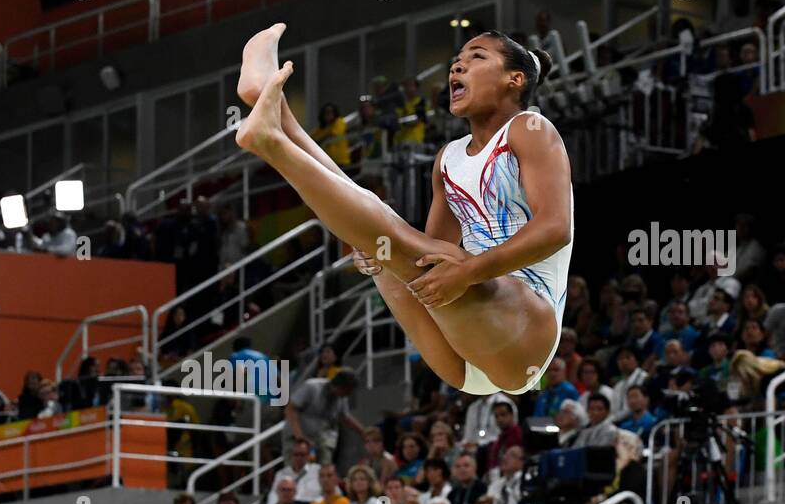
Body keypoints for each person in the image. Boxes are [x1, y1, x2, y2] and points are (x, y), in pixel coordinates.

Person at [236, 25, 571, 399]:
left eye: (476, 58)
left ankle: (274, 141)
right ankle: (278, 115)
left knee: (394, 238)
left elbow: (556, 228)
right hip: (464, 354)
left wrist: (468, 271)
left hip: (526, 331)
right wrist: (382, 252)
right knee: (390, 252)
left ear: (515, 79)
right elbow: (427, 250)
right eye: (456, 62)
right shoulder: (449, 157)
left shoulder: (530, 128)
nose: (456, 68)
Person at [282, 368, 366, 465]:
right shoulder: (312, 387)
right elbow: (290, 409)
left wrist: (363, 431)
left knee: (324, 468)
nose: (349, 395)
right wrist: (299, 436)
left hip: (319, 439)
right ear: (341, 387)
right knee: (296, 470)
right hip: (296, 437)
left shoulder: (341, 398)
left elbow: (345, 417)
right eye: (348, 391)